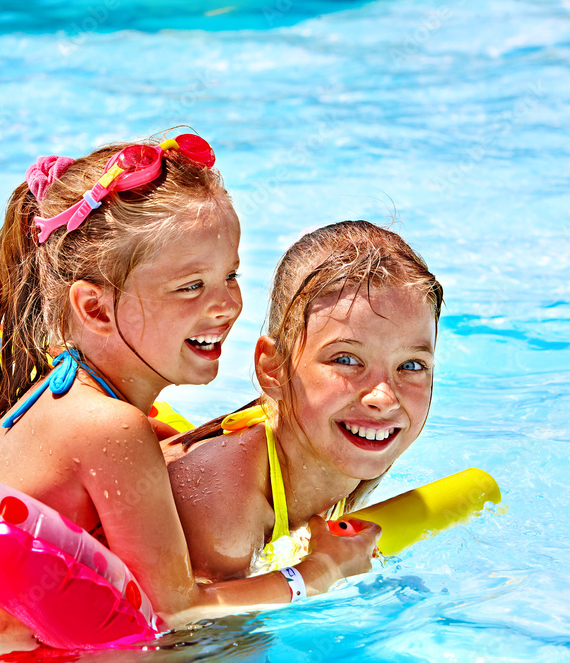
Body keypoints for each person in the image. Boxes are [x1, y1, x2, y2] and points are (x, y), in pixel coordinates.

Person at [0, 135, 380, 638]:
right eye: (190, 286)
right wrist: (320, 571)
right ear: (96, 309)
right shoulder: (111, 427)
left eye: (229, 275)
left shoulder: (64, 388)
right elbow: (173, 612)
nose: (227, 305)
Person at [165, 220, 443, 581]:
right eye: (345, 360)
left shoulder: (360, 443)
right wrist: (316, 574)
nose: (383, 398)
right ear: (273, 368)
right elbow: (197, 632)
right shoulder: (224, 507)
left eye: (411, 365)